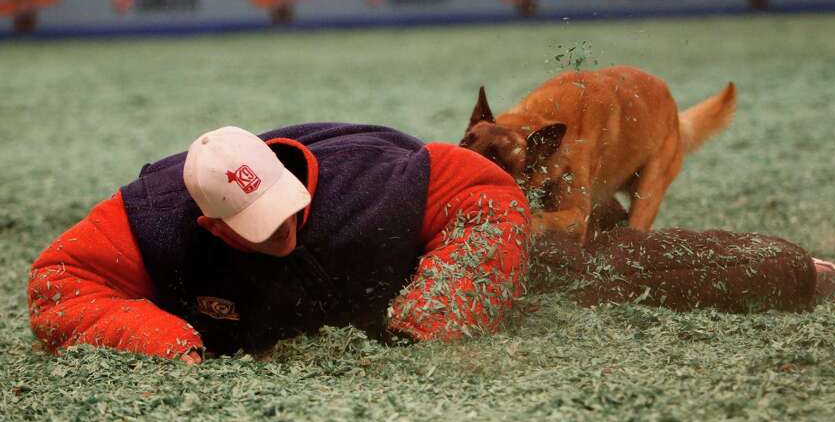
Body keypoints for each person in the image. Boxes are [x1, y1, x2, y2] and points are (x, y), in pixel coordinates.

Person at [28, 123, 530, 363]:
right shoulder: (153, 221)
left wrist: (426, 327)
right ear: (213, 228)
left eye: (281, 204)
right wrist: (169, 344)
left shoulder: (373, 183)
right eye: (257, 222)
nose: (282, 227)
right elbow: (58, 284)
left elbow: (486, 192)